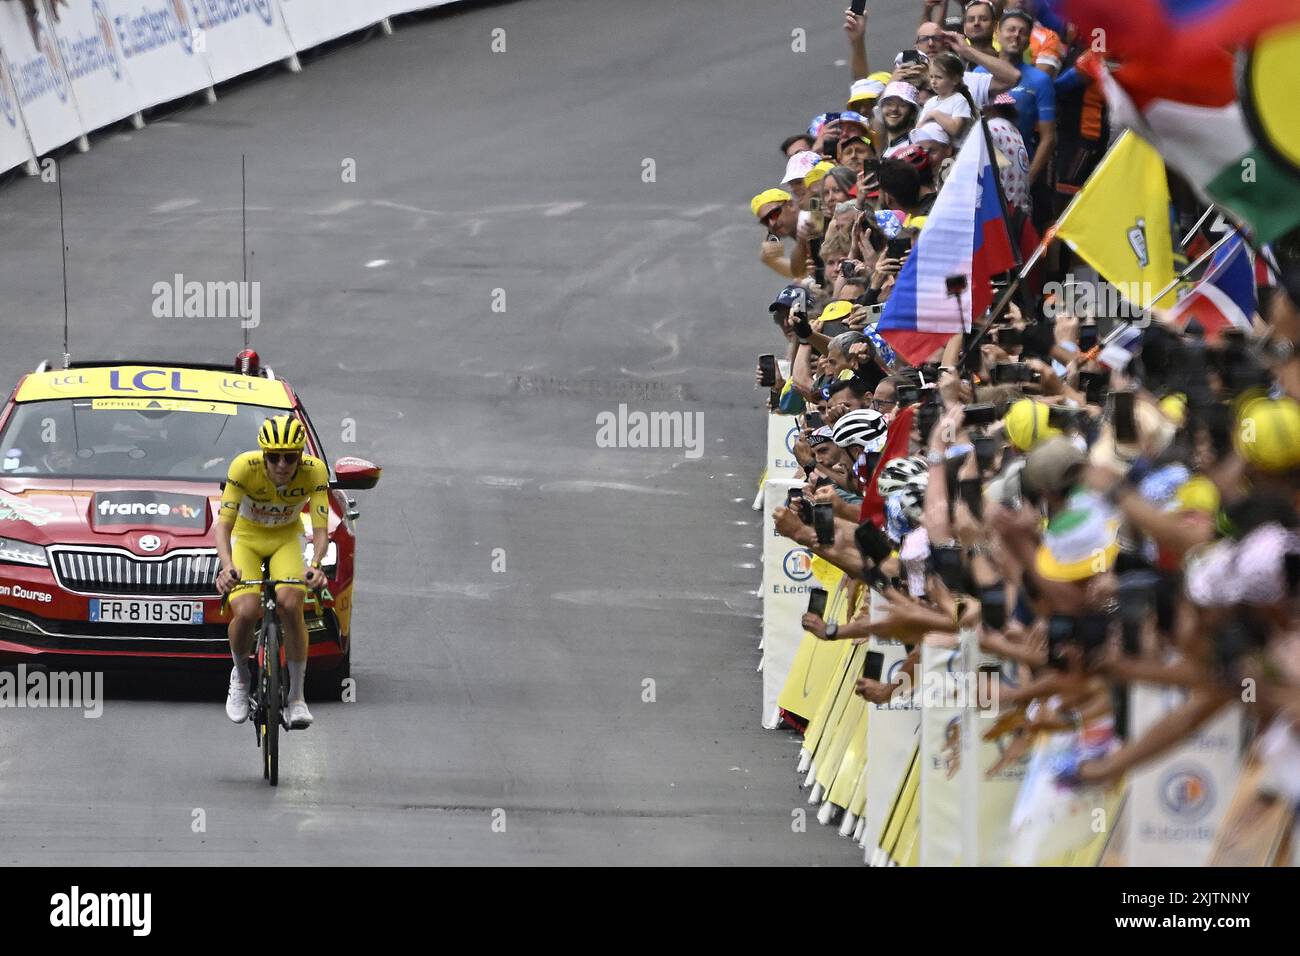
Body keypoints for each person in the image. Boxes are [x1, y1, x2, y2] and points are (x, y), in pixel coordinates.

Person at [216, 415, 330, 729]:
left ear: (300, 456)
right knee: (248, 609)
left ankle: (296, 697)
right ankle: (240, 677)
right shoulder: (243, 467)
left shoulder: (314, 471)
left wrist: (316, 566)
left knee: (292, 604)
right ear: (264, 455)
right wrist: (227, 567)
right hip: (247, 538)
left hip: (285, 539)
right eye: (274, 457)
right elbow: (223, 526)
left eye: (290, 457)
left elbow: (321, 531)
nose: (282, 465)